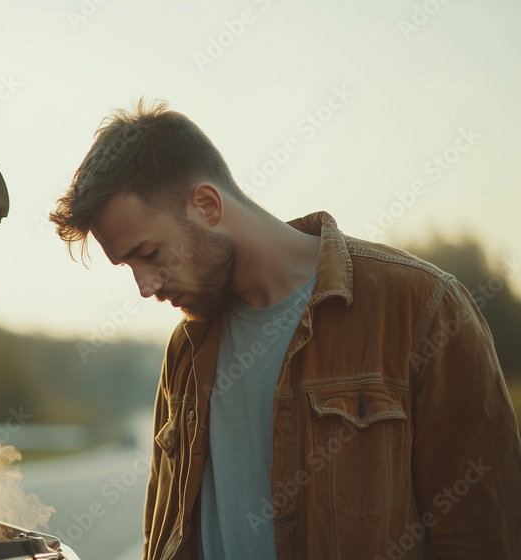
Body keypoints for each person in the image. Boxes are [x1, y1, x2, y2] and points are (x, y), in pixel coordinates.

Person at [48, 100, 521, 559]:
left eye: (148, 253)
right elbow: (163, 536)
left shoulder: (421, 306)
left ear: (207, 206)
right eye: (128, 265)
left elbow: (484, 534)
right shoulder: (186, 349)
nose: (145, 286)